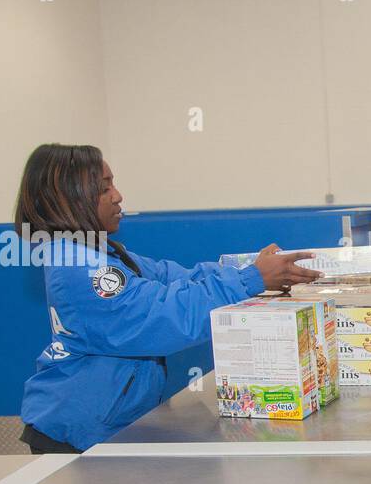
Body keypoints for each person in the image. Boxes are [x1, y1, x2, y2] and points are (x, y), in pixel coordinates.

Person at [16, 144, 319, 453]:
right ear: (71, 198)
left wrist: (249, 268)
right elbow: (165, 315)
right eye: (104, 188)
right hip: (76, 439)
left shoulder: (97, 253)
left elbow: (173, 278)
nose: (117, 196)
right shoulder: (81, 268)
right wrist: (252, 278)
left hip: (101, 428)